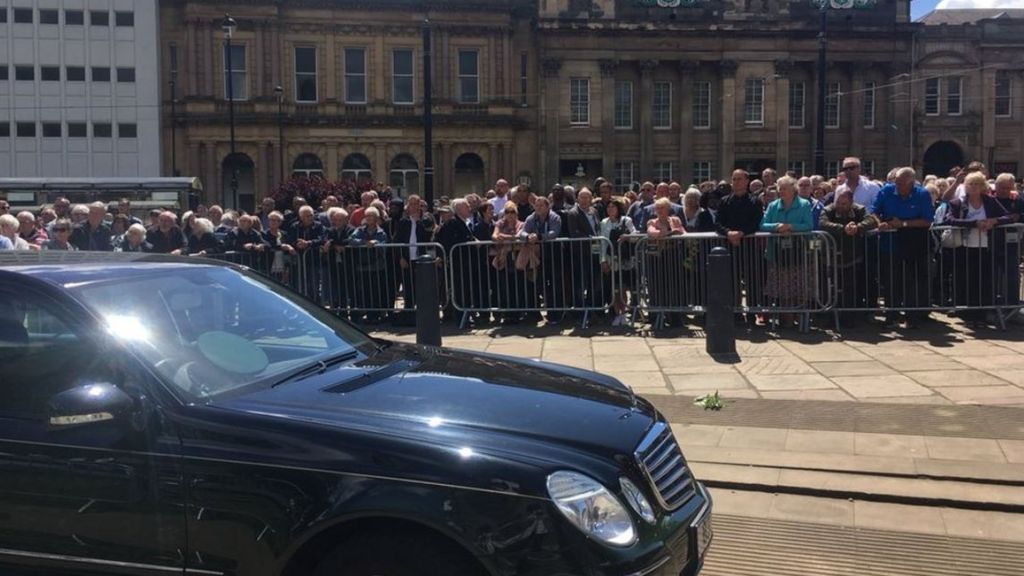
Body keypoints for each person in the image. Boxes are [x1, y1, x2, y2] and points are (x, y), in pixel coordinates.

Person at [942, 171, 1013, 325]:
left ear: (983, 186)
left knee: (984, 280)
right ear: (966, 186)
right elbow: (950, 220)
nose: (974, 187)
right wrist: (974, 223)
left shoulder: (990, 201)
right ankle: (967, 313)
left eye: (977, 184)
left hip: (985, 247)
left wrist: (993, 221)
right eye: (971, 184)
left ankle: (982, 313)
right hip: (964, 247)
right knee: (966, 279)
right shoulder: (957, 203)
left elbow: (1007, 217)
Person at [872, 167, 935, 328]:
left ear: (912, 183)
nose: (897, 187)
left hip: (914, 244)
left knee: (912, 282)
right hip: (890, 244)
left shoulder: (922, 194)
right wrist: (880, 224)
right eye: (896, 183)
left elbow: (927, 220)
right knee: (891, 281)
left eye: (901, 184)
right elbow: (874, 211)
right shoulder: (886, 191)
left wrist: (903, 224)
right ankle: (891, 316)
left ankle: (912, 317)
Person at [760, 176, 814, 328]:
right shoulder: (773, 205)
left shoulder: (804, 204)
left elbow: (808, 225)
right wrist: (777, 227)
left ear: (793, 189)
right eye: (780, 188)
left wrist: (791, 227)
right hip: (777, 254)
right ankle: (785, 321)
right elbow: (763, 225)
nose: (781, 191)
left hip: (798, 254)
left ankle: (799, 319)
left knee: (799, 288)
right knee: (781, 289)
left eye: (784, 188)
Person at [820, 189, 877, 316]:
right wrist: (843, 228)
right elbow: (823, 223)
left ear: (851, 202)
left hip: (852, 257)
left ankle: (850, 317)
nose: (840, 206)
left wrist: (857, 227)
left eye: (844, 204)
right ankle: (830, 316)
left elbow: (871, 221)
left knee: (851, 288)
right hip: (830, 257)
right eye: (838, 202)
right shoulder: (828, 210)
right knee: (830, 288)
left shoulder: (860, 209)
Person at [717, 169, 763, 318]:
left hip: (749, 246)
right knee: (732, 280)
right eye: (734, 179)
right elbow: (718, 223)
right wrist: (728, 233)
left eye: (739, 179)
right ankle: (735, 313)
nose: (736, 182)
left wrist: (742, 233)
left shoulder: (755, 201)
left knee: (752, 280)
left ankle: (752, 313)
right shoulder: (725, 201)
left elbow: (756, 222)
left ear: (746, 181)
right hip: (729, 246)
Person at [434, 199, 478, 323]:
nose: (469, 208)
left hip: (465, 263)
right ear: (458, 209)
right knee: (460, 291)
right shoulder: (453, 223)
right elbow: (449, 242)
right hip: (458, 263)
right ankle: (460, 317)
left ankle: (465, 316)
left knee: (465, 291)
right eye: (466, 206)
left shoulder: (463, 222)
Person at [520, 196, 563, 321]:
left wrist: (539, 237)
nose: (538, 208)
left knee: (553, 284)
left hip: (553, 254)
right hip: (536, 255)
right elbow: (522, 232)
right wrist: (528, 237)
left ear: (547, 206)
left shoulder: (555, 217)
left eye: (541, 206)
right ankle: (534, 314)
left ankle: (554, 314)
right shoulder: (531, 218)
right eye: (536, 205)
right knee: (535, 283)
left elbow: (554, 232)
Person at [564, 188, 605, 314]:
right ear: (577, 199)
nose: (585, 200)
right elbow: (574, 233)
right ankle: (580, 312)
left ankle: (593, 310)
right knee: (580, 284)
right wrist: (591, 238)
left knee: (595, 282)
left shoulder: (594, 211)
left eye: (587, 197)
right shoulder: (573, 213)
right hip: (581, 253)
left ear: (591, 199)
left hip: (595, 253)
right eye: (582, 197)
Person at [394, 195, 436, 313]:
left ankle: (423, 310)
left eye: (415, 204)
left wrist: (419, 222)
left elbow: (429, 237)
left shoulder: (426, 219)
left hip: (421, 258)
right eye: (410, 204)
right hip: (407, 258)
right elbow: (397, 240)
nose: (413, 207)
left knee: (422, 286)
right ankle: (409, 311)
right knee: (408, 286)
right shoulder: (403, 222)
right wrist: (401, 257)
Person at [599, 197, 637, 326]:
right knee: (614, 289)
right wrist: (603, 260)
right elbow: (603, 242)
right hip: (611, 260)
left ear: (618, 208)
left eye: (613, 207)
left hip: (625, 260)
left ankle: (624, 314)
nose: (610, 209)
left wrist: (627, 237)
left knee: (623, 288)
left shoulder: (626, 220)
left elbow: (635, 236)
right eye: (608, 207)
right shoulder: (604, 222)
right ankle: (617, 314)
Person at [349, 207, 390, 323]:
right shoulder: (360, 230)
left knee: (376, 292)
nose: (369, 218)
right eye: (367, 216)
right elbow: (351, 240)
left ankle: (374, 316)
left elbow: (384, 246)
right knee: (363, 292)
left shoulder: (381, 232)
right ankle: (364, 314)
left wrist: (376, 243)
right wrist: (364, 243)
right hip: (362, 267)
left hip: (377, 267)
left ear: (377, 218)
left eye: (371, 216)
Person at [492, 203, 525, 323]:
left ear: (516, 213)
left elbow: (518, 237)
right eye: (507, 212)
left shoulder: (521, 224)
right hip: (504, 258)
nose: (510, 214)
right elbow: (494, 236)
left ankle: (518, 313)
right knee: (504, 286)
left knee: (518, 285)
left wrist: (503, 237)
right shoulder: (500, 223)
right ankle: (507, 313)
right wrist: (504, 237)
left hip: (517, 258)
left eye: (512, 212)